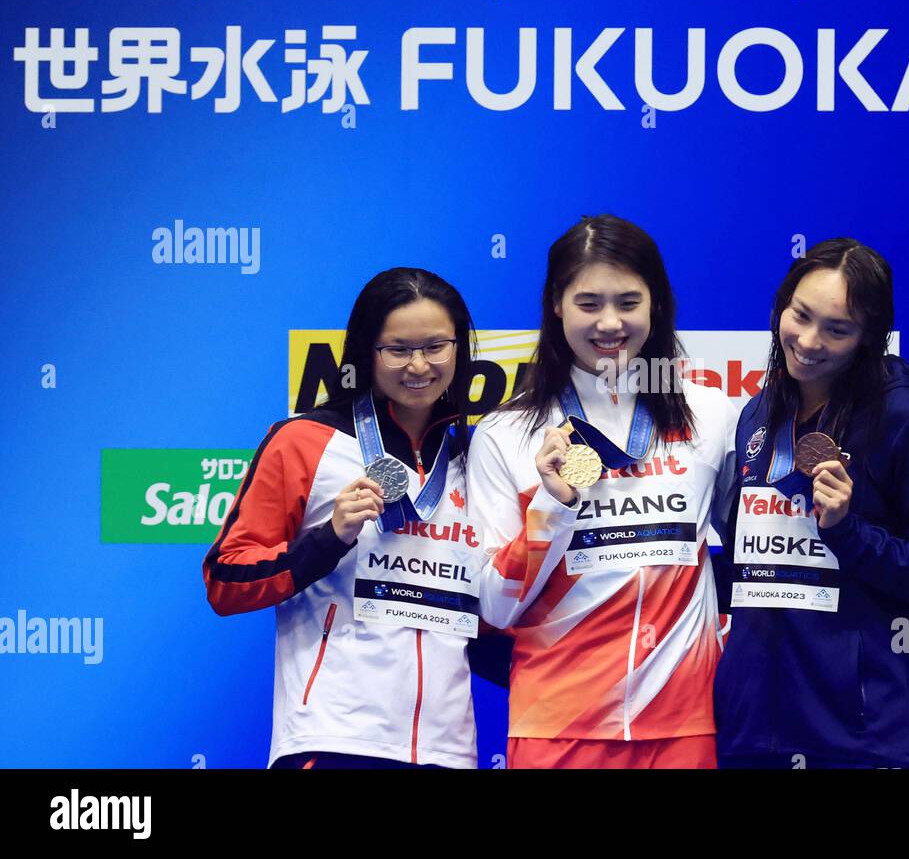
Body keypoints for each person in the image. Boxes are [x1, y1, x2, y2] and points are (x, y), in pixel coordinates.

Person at [466, 214, 738, 769]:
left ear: (656, 304)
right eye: (588, 303)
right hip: (557, 727)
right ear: (556, 305)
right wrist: (553, 505)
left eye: (628, 302)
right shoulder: (505, 433)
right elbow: (493, 605)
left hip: (683, 723)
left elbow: (766, 530)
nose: (609, 323)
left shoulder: (712, 413)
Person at [203, 268, 486, 769]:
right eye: (397, 349)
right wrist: (329, 538)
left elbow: (482, 612)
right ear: (365, 352)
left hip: (448, 748)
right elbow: (225, 579)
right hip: (334, 737)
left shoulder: (478, 455)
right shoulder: (304, 441)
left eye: (436, 346)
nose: (418, 365)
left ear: (459, 348)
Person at [713, 239, 909, 768]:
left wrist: (848, 531)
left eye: (837, 330)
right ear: (779, 309)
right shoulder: (756, 417)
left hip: (858, 735)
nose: (808, 342)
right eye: (800, 316)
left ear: (868, 338)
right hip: (753, 730)